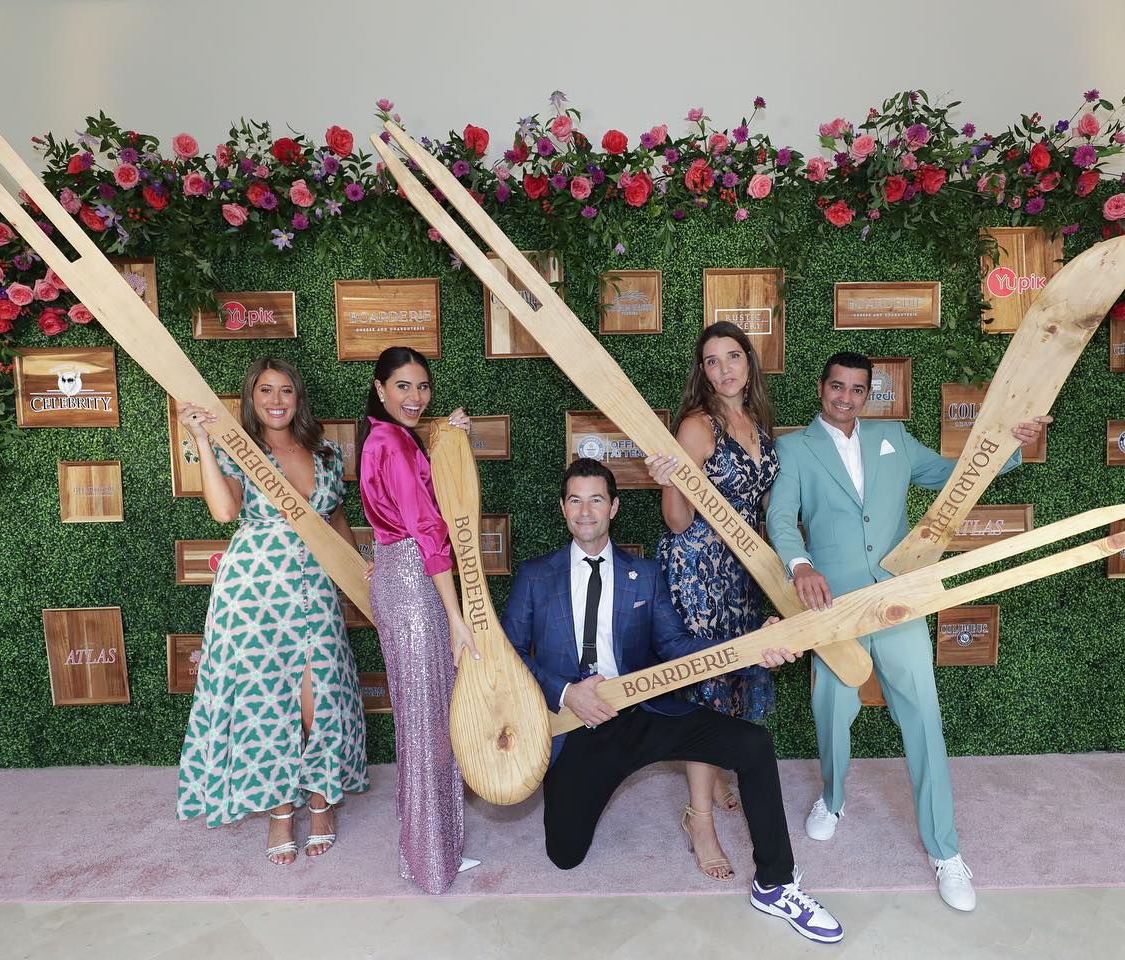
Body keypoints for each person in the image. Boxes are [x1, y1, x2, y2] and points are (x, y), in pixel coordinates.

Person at [500, 457, 844, 944]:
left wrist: (754, 649)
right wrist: (566, 692)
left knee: (752, 744)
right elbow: (509, 654)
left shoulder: (644, 574)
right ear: (563, 508)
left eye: (596, 499)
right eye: (575, 500)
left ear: (613, 507)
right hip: (575, 727)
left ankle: (775, 883)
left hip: (643, 714)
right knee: (564, 855)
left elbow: (678, 646)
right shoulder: (536, 576)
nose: (585, 511)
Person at [766, 350, 1051, 912]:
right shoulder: (794, 448)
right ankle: (832, 798)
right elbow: (781, 517)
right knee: (832, 712)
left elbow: (953, 476)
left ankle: (946, 851)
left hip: (898, 598)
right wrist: (800, 566)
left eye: (857, 389)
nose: (846, 398)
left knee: (923, 718)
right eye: (837, 387)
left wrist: (1011, 446)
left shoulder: (893, 437)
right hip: (835, 605)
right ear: (821, 388)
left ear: (868, 394)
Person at [176, 357, 370, 866]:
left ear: (297, 396)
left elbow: (335, 518)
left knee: (321, 699)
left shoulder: (326, 453)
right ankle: (281, 812)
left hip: (316, 591)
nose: (276, 400)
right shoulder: (241, 451)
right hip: (254, 595)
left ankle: (322, 802)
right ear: (252, 398)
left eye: (285, 390)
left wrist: (356, 577)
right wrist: (203, 442)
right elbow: (224, 511)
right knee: (266, 705)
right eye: (265, 390)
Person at [643, 321, 779, 883]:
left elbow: (762, 505)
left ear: (748, 362)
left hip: (743, 572)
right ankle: (699, 821)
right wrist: (669, 481)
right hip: (700, 570)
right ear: (702, 371)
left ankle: (715, 775)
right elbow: (677, 522)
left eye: (733, 356)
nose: (724, 369)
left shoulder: (758, 422)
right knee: (709, 689)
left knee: (734, 683)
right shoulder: (697, 426)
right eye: (712, 360)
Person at [356, 345, 481, 894]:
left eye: (422, 386)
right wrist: (456, 617)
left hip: (401, 576)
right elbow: (429, 534)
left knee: (425, 720)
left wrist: (448, 436)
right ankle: (431, 860)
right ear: (380, 389)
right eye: (402, 386)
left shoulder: (389, 438)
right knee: (429, 723)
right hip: (416, 586)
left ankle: (431, 849)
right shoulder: (393, 443)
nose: (415, 396)